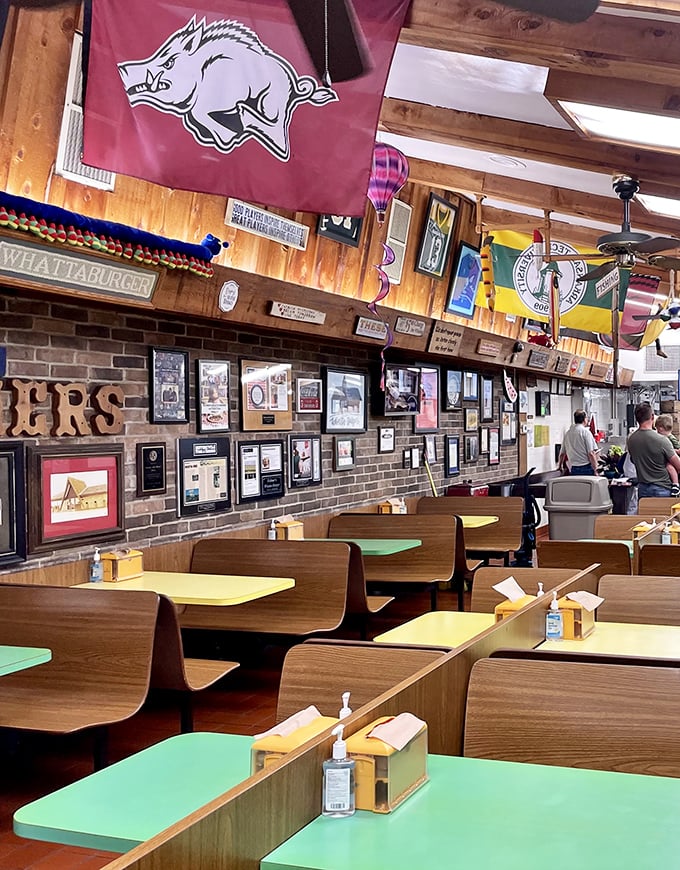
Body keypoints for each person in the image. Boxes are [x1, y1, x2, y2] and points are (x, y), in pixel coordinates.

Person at [626, 403, 680, 499]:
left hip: (643, 490)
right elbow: (678, 465)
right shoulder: (662, 440)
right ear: (652, 417)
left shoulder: (631, 440)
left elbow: (633, 460)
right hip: (662, 489)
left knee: (646, 510)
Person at [557, 410, 600, 476]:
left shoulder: (568, 433)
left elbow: (562, 453)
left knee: (577, 483)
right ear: (584, 419)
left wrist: (560, 466)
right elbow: (591, 453)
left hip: (574, 469)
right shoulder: (585, 432)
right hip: (587, 468)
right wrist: (596, 470)